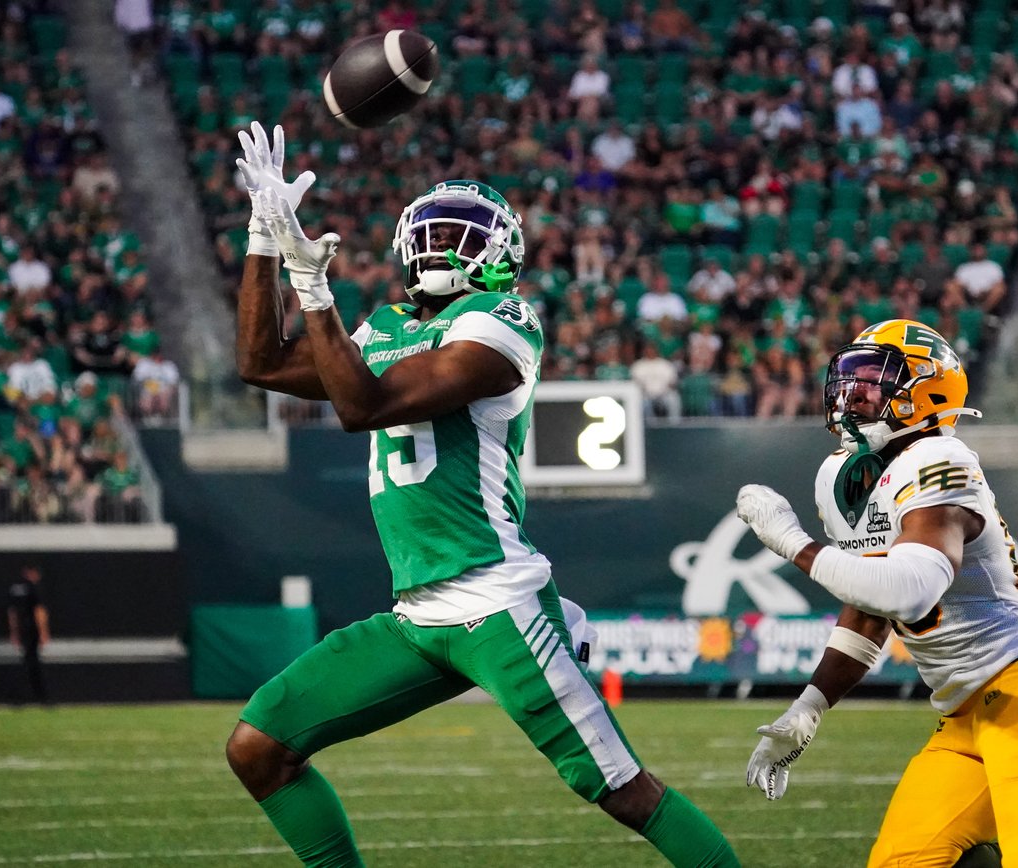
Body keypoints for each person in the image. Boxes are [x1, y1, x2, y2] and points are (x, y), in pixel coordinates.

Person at [225, 123, 738, 868]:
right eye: (431, 233)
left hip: (498, 603)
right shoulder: (390, 324)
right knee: (259, 748)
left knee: (624, 789)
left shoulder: (504, 323)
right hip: (415, 618)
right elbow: (260, 361)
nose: (441, 249)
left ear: (501, 254)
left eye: (461, 236)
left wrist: (312, 287)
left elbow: (361, 407)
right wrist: (264, 237)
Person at [734, 320, 1018, 867]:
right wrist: (810, 707)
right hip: (962, 709)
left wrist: (791, 544)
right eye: (850, 379)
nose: (853, 394)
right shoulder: (842, 476)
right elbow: (871, 609)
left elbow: (909, 591)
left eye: (874, 380)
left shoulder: (939, 460)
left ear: (926, 389)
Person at [6, 564, 50, 704]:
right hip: (32, 629)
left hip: (22, 629)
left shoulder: (15, 589)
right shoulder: (33, 587)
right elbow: (39, 611)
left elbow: (12, 613)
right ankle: (38, 696)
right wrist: (43, 632)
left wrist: (14, 632)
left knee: (26, 662)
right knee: (33, 663)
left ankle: (22, 696)